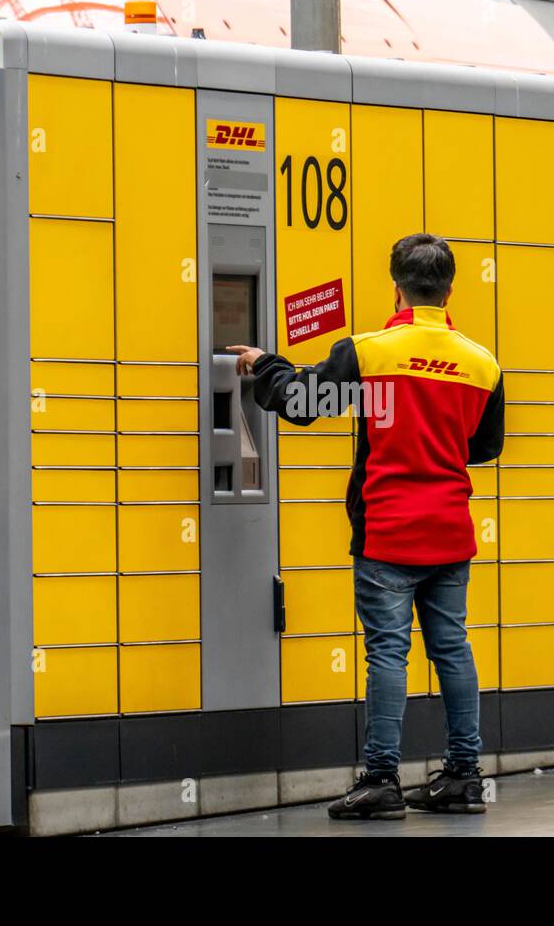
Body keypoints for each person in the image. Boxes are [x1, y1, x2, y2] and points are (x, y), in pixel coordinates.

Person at [228, 233, 505, 820]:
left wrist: (265, 364)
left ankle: (380, 781)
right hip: (450, 532)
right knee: (452, 648)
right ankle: (464, 776)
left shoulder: (370, 352)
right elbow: (483, 447)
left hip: (388, 531)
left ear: (396, 286)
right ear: (450, 287)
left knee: (388, 653)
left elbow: (300, 402)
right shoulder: (483, 364)